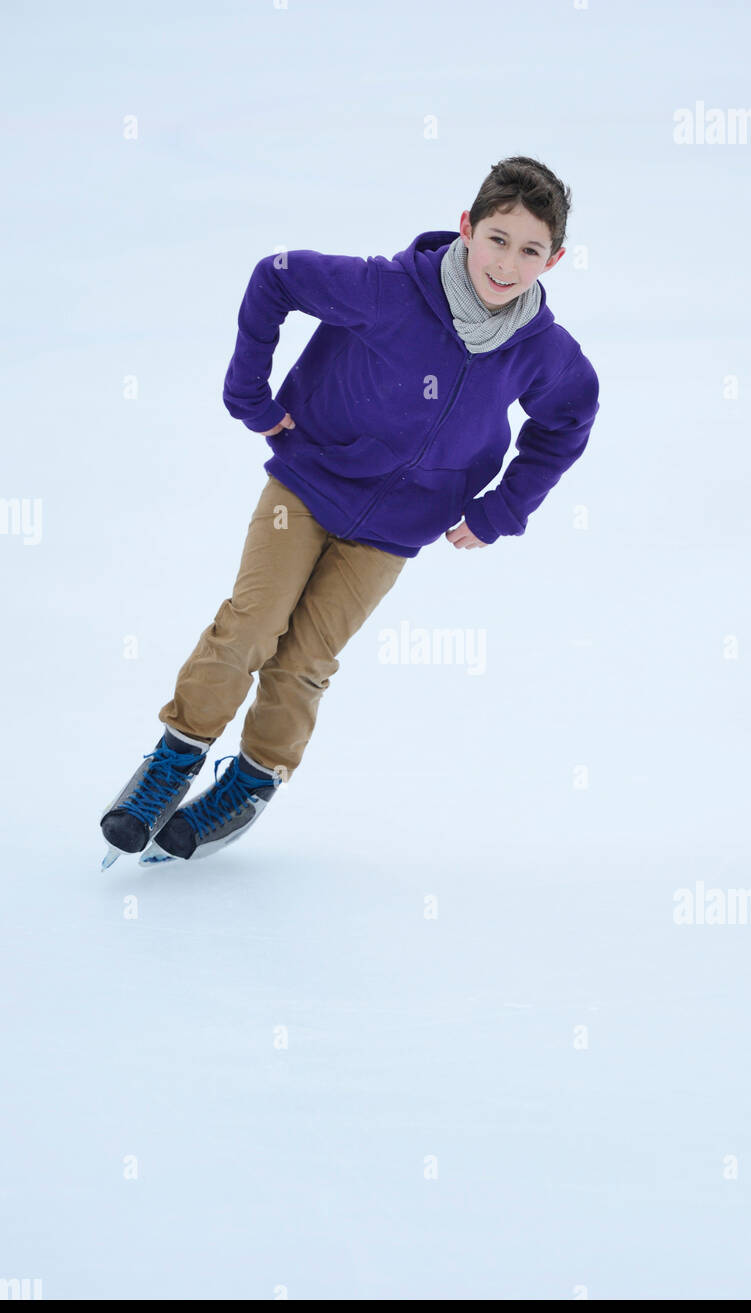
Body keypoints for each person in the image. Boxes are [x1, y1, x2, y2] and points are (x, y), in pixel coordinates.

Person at [99, 154, 600, 868]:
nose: (506, 263)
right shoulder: (388, 289)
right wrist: (250, 392)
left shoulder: (542, 351)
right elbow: (276, 276)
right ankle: (172, 760)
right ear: (466, 227)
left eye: (529, 250)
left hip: (395, 530)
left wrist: (501, 510)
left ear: (553, 259)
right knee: (253, 624)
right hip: (307, 486)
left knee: (305, 660)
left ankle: (250, 780)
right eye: (496, 238)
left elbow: (569, 420)